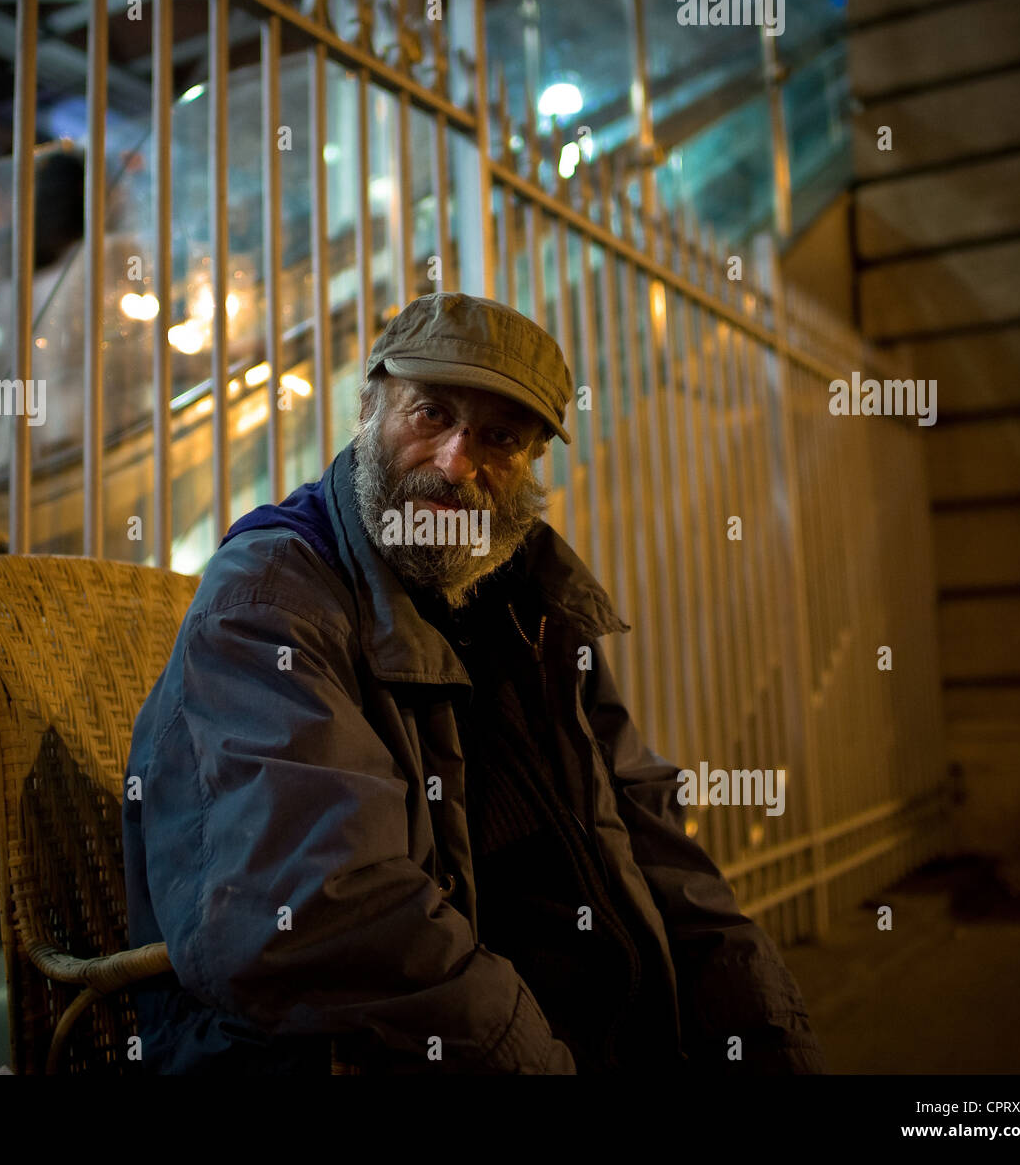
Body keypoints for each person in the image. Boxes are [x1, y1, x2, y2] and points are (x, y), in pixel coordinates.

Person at [122, 291, 826, 1075]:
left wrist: (774, 1042)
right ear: (369, 407)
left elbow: (653, 841)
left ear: (529, 461)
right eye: (430, 415)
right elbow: (322, 911)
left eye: (498, 437)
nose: (456, 464)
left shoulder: (533, 600)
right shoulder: (273, 597)